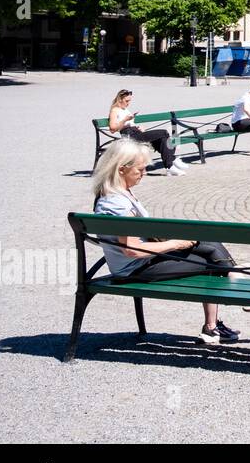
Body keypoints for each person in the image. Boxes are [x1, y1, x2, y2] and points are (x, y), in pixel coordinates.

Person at [91, 138, 241, 344]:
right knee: (210, 261)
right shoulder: (118, 204)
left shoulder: (112, 194)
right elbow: (132, 250)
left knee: (208, 242)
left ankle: (231, 285)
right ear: (120, 169)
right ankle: (226, 305)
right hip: (137, 269)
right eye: (140, 170)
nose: (144, 174)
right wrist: (176, 243)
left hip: (141, 263)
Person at [107, 89, 188, 175]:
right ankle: (172, 160)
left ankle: (169, 167)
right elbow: (112, 129)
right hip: (129, 136)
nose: (128, 103)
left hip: (136, 132)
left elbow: (129, 123)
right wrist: (125, 120)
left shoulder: (125, 109)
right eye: (126, 101)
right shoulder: (115, 110)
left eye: (129, 101)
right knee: (164, 133)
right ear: (120, 99)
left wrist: (138, 127)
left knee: (163, 140)